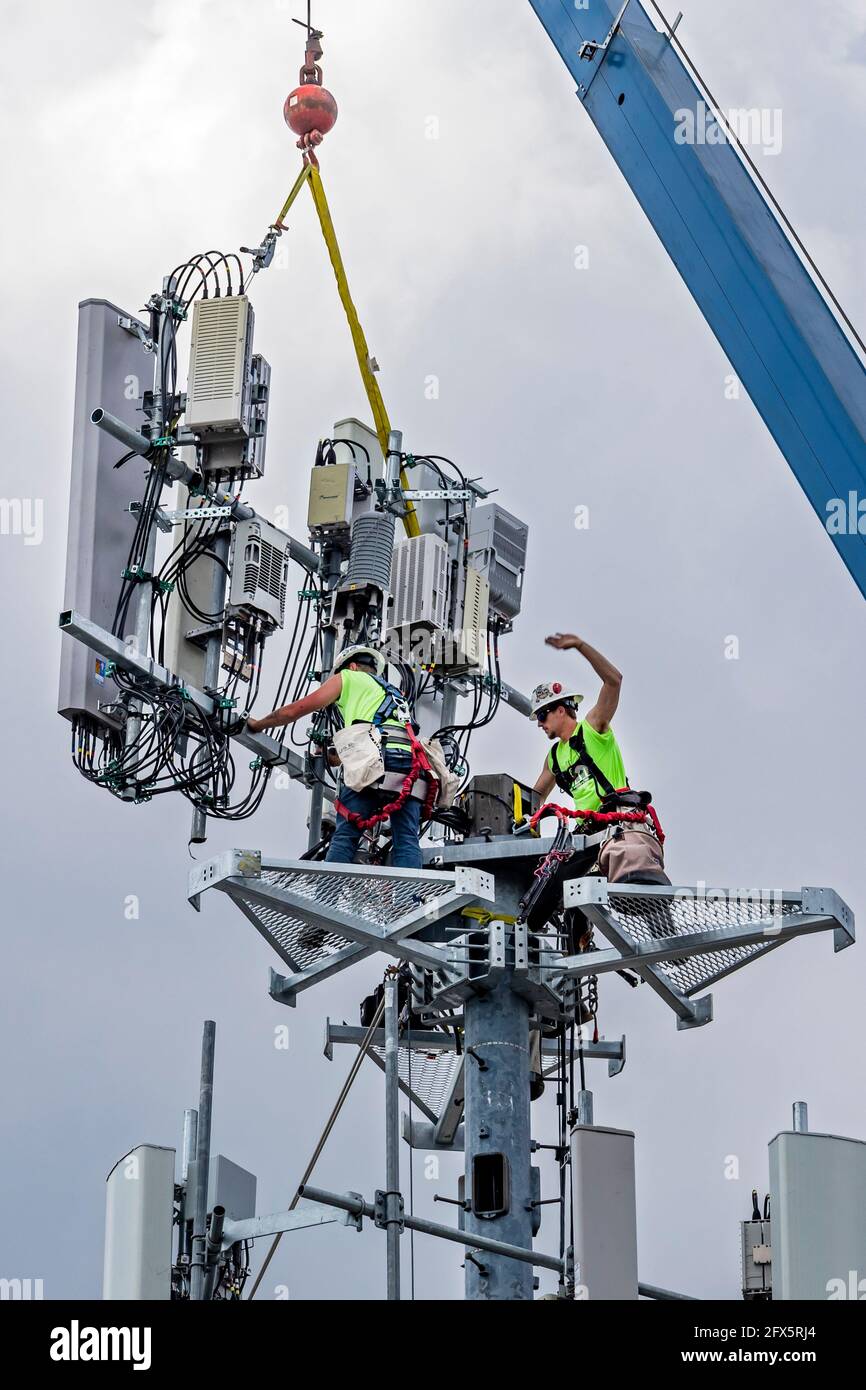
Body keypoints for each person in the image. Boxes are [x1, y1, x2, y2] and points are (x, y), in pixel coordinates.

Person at [247, 645, 424, 869]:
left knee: (346, 835)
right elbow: (383, 736)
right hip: (411, 768)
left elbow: (296, 709)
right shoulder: (395, 694)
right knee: (407, 838)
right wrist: (334, 756)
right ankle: (411, 904)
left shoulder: (348, 677)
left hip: (379, 761)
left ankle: (323, 894)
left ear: (351, 666)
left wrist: (259, 724)